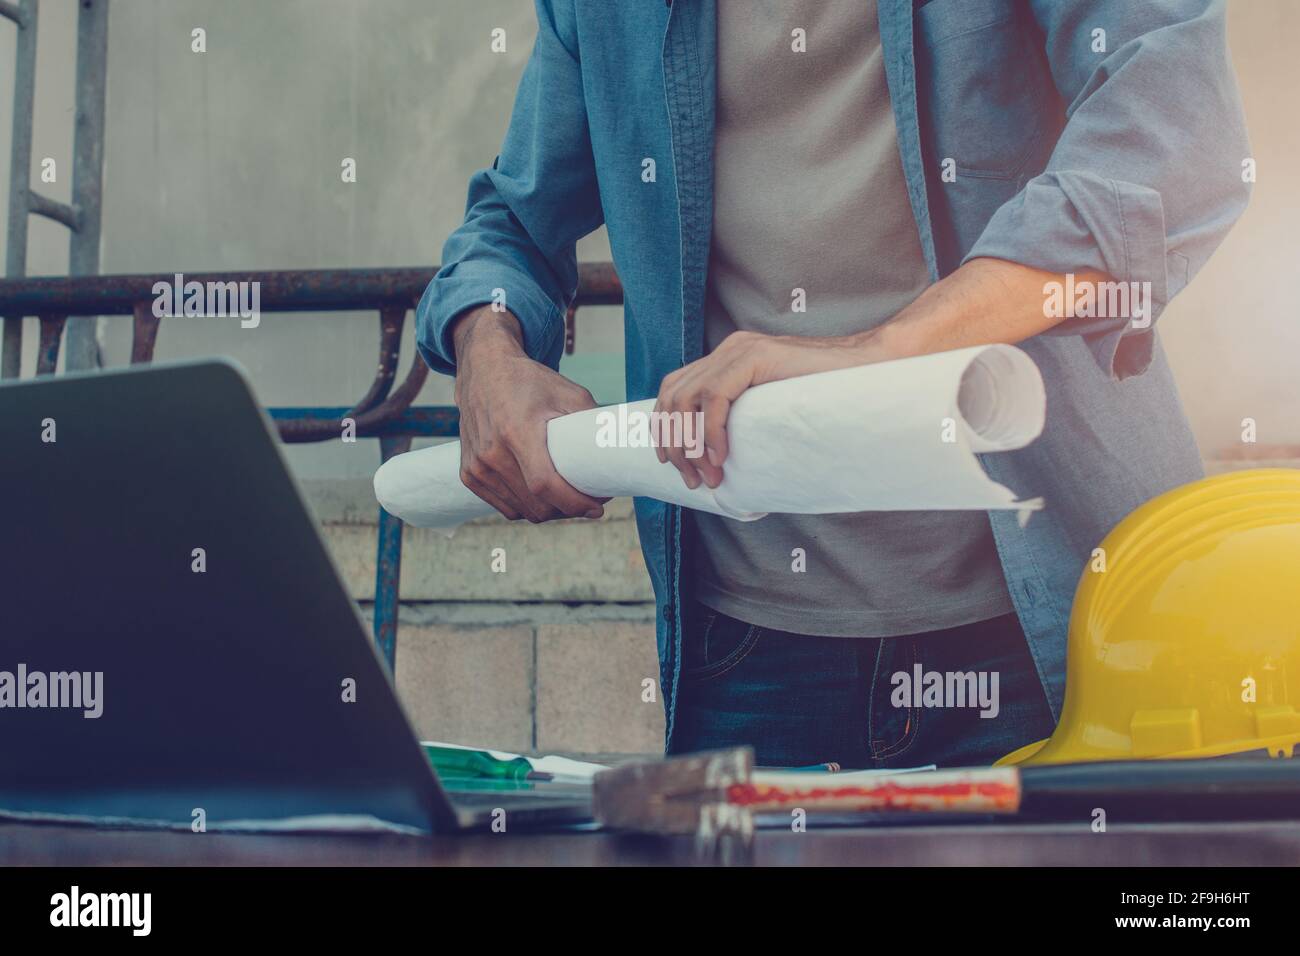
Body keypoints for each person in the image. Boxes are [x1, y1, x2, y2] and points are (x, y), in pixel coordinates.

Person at [416, 0, 1251, 767]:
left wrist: (883, 350)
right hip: (748, 652)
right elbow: (514, 220)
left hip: (1060, 627)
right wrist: (489, 353)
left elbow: (1176, 131)